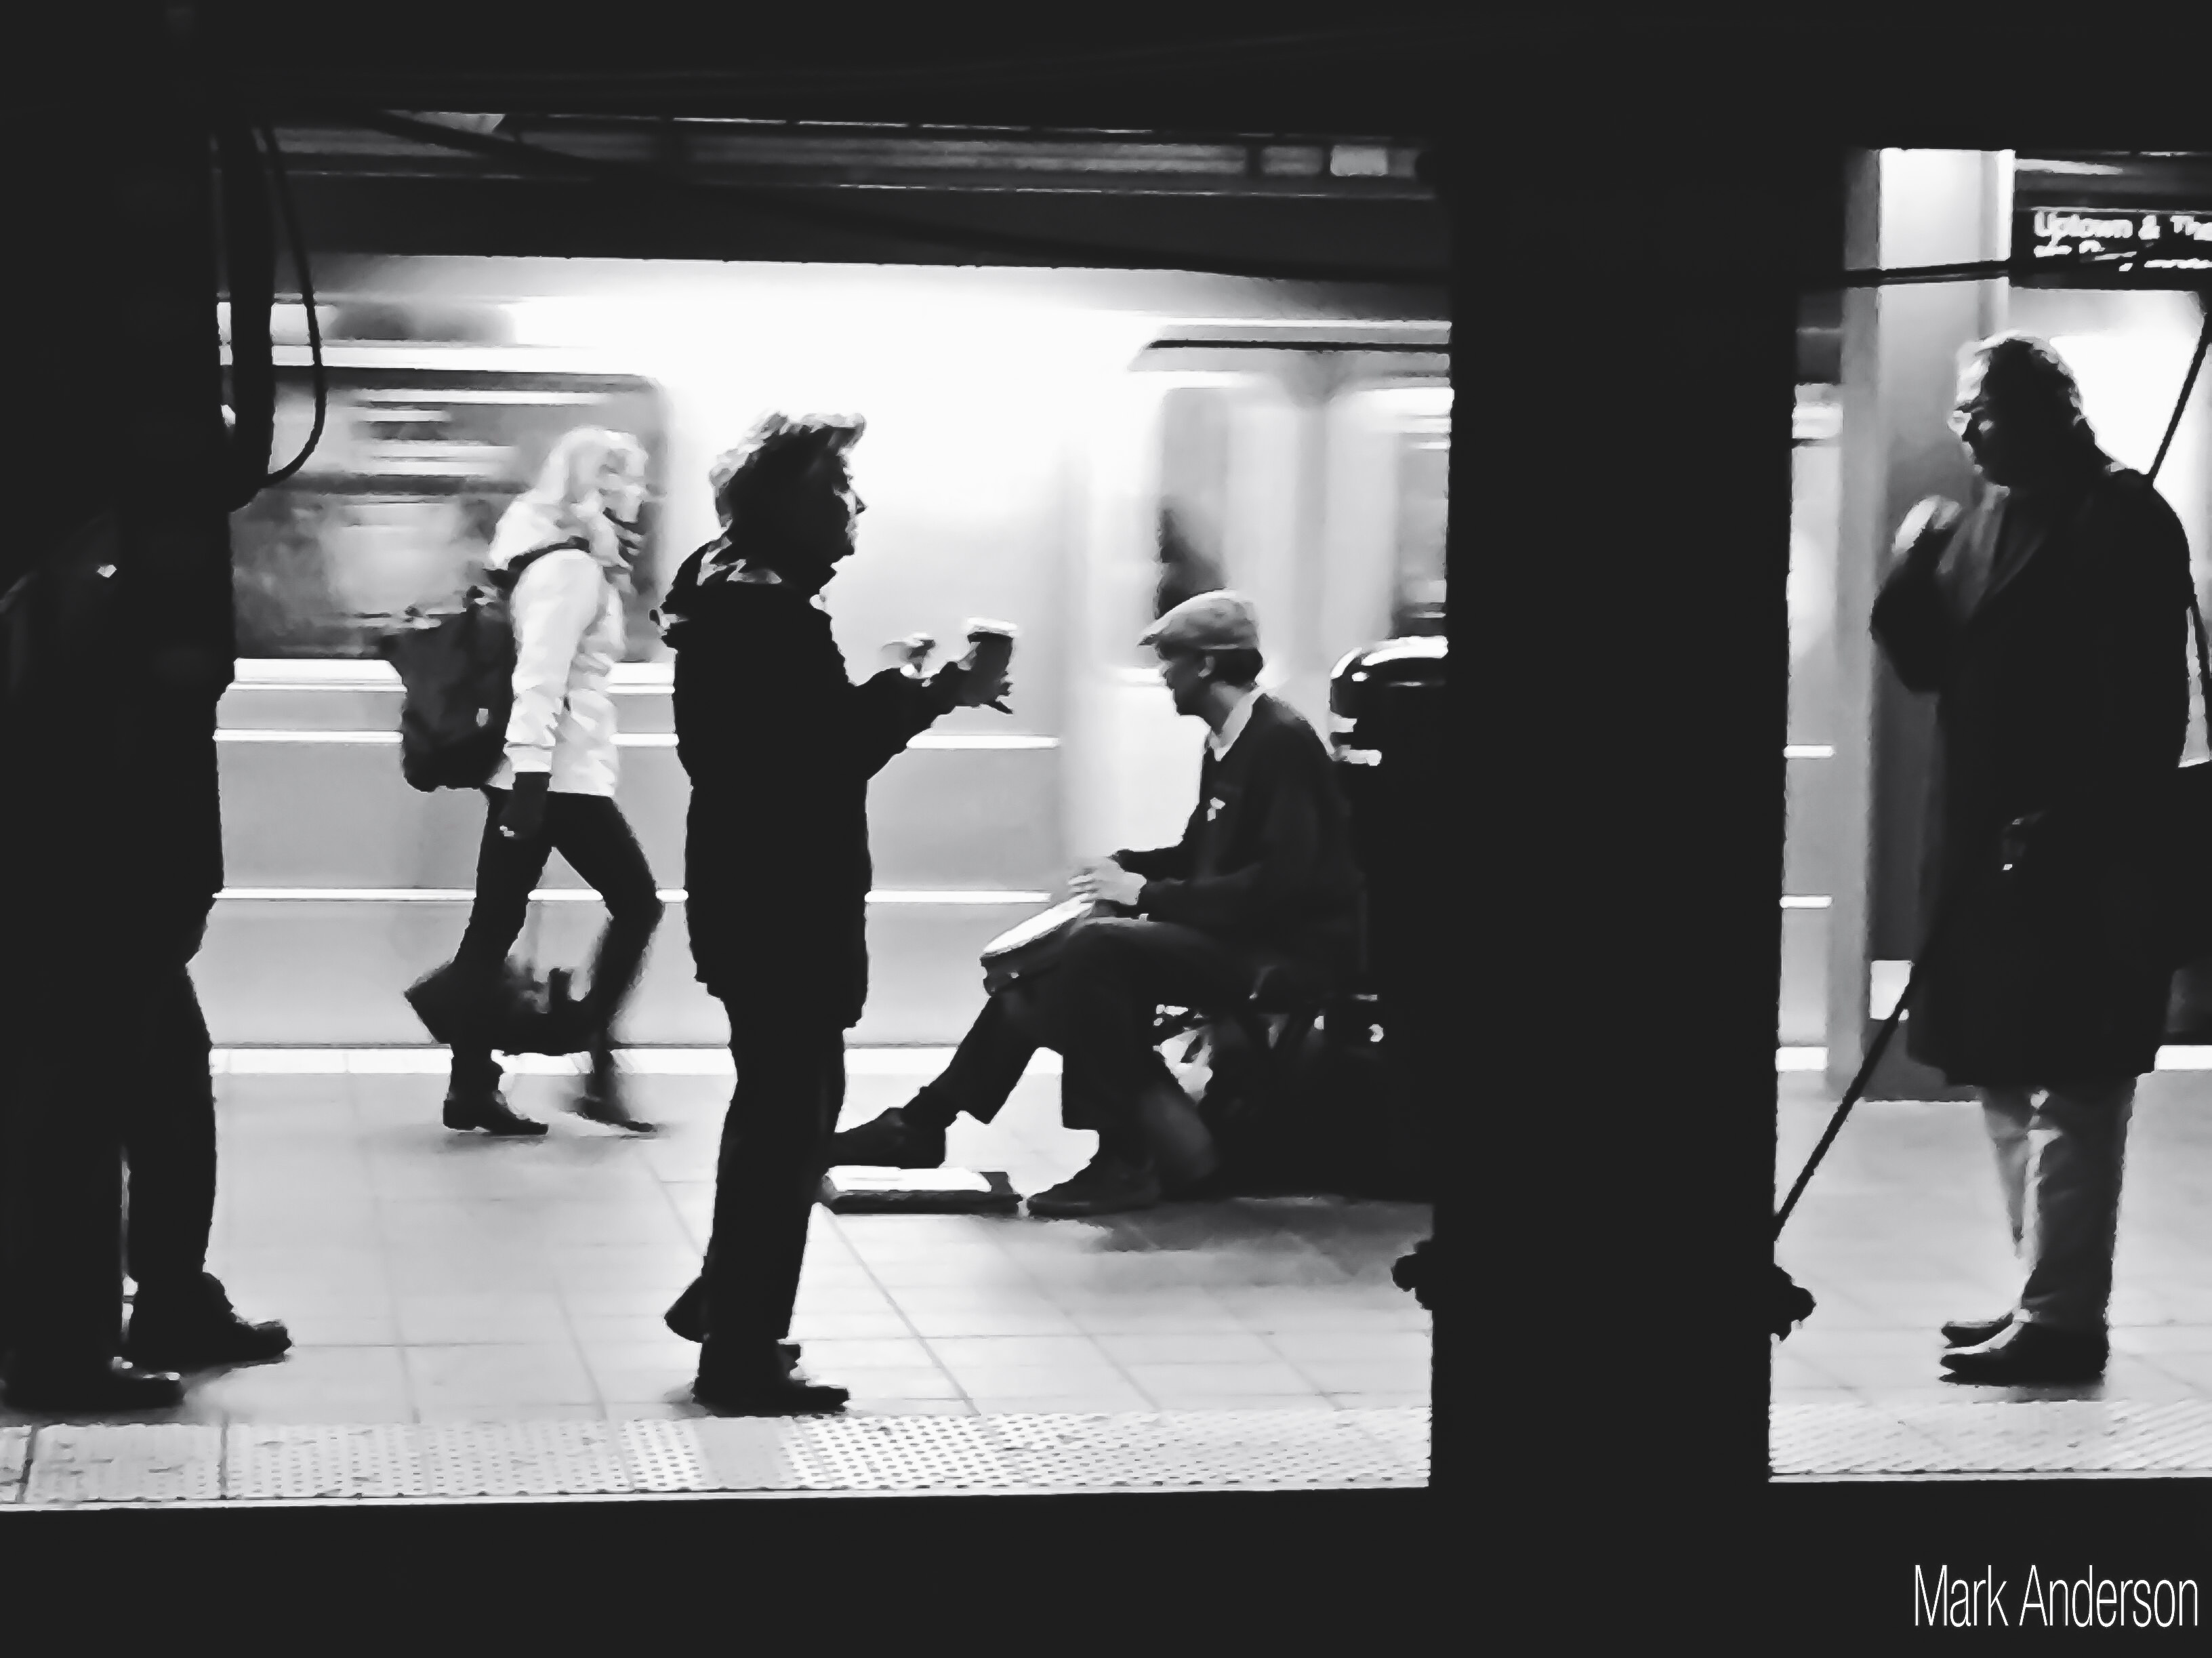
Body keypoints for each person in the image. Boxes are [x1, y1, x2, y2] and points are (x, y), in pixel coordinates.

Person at [656, 413, 1011, 1413]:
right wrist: (926, 689)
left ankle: (730, 1303)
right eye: (839, 484)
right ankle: (739, 1350)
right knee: (789, 1117)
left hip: (750, 892)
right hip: (785, 902)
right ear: (789, 505)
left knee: (783, 1105)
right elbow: (822, 757)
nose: (857, 503)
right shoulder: (768, 617)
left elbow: (795, 736)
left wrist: (907, 681)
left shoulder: (727, 592)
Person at [1872, 331, 2193, 1385]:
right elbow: (1934, 667)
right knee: (2008, 1073)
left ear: (2054, 409)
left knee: (2078, 1080)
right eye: (1963, 412)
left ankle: (2062, 1313)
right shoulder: (1980, 523)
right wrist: (1912, 573)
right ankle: (2040, 1293)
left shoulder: (2120, 517)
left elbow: (2143, 697)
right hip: (1985, 847)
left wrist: (2076, 813)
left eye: (1987, 410)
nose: (1967, 429)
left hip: (2083, 853)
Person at [830, 590, 1366, 1218]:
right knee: (1038, 981)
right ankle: (923, 1122)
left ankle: (1125, 1160)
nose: (1163, 675)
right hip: (1235, 933)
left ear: (1206, 666)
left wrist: (1146, 896)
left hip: (1281, 949)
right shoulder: (1227, 740)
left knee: (1097, 949)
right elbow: (1204, 852)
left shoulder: (1280, 741)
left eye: (1169, 660)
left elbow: (1281, 884)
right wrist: (1129, 865)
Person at [1, 509, 290, 1411]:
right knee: (79, 1108)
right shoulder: (95, 565)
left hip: (106, 884)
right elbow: (129, 713)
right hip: (94, 882)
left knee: (166, 1082)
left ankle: (170, 1296)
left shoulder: (78, 562)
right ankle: (58, 1347)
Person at [441, 426, 665, 1136]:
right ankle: (594, 1053)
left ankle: (474, 1086)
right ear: (593, 489)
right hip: (556, 774)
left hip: (539, 770)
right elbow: (538, 677)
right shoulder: (568, 569)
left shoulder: (553, 557)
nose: (636, 499)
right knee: (638, 903)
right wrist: (534, 775)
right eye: (623, 482)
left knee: (494, 925)